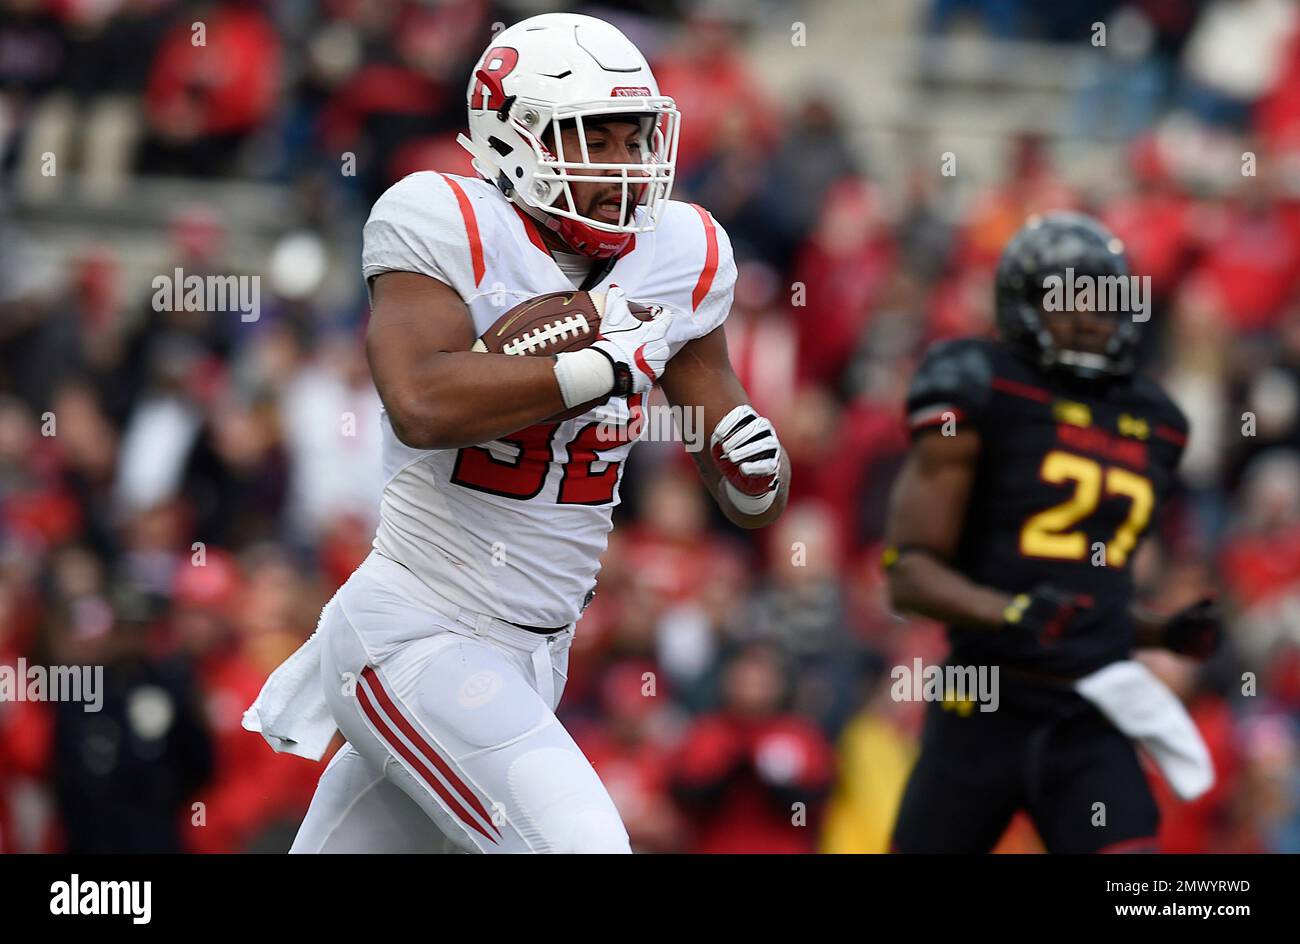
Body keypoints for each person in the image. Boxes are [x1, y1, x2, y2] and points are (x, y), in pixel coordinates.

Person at [262, 12, 789, 854]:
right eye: (595, 139)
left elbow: (740, 478)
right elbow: (420, 401)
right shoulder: (444, 219)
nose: (624, 168)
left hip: (537, 653)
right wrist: (594, 369)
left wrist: (755, 467)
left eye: (635, 139)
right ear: (513, 139)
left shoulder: (680, 251)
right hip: (418, 633)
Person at [883, 212, 1222, 853]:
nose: (1092, 318)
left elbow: (1078, 599)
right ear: (1025, 305)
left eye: (1104, 301)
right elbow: (908, 574)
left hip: (1087, 709)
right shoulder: (982, 384)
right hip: (982, 698)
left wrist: (1158, 630)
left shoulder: (1155, 419)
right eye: (1070, 300)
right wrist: (1009, 612)